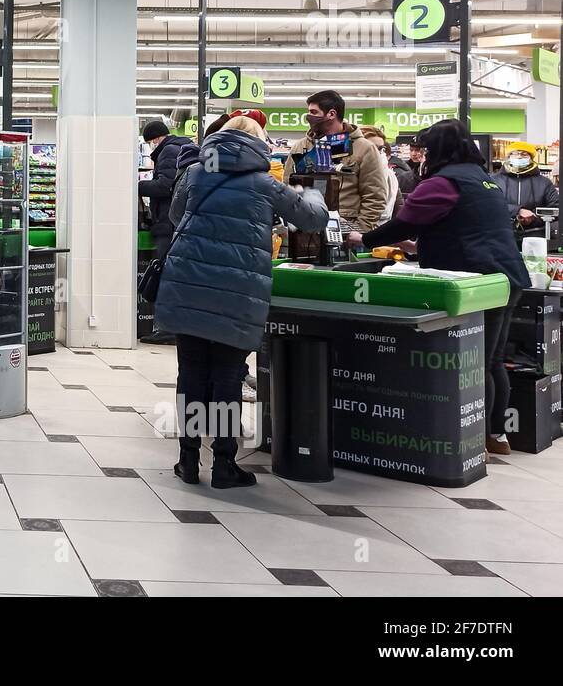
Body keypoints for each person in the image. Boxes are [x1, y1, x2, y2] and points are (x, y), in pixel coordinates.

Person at [156, 117, 329, 488]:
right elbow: (312, 219)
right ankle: (223, 464)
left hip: (188, 283)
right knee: (227, 377)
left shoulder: (197, 172)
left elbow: (175, 215)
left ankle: (187, 460)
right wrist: (311, 191)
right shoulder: (265, 183)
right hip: (236, 288)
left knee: (190, 374)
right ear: (259, 145)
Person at [350, 119, 530, 456]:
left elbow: (404, 223)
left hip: (476, 283)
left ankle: (474, 439)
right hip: (507, 277)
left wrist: (364, 238)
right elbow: (466, 229)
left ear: (439, 150)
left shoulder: (443, 182)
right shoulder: (484, 179)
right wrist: (421, 246)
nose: (421, 156)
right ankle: (497, 436)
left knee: (475, 364)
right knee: (492, 360)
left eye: (426, 149)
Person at [286, 90, 389, 232]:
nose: (308, 116)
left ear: (331, 114)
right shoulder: (300, 146)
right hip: (305, 228)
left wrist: (360, 230)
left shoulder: (364, 148)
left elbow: (375, 195)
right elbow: (287, 188)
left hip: (347, 226)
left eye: (314, 112)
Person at [138, 121, 192, 344]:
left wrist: (136, 185)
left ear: (156, 139)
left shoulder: (169, 150)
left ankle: (167, 329)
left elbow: (164, 186)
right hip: (173, 223)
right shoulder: (180, 148)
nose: (151, 147)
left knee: (165, 274)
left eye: (150, 142)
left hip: (168, 224)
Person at [491, 141, 559, 236]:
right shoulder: (493, 180)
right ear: (508, 157)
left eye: (524, 154)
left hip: (535, 235)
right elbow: (488, 204)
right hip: (502, 235)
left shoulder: (544, 182)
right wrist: (517, 211)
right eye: (514, 154)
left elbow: (555, 207)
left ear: (531, 158)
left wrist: (534, 217)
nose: (519, 157)